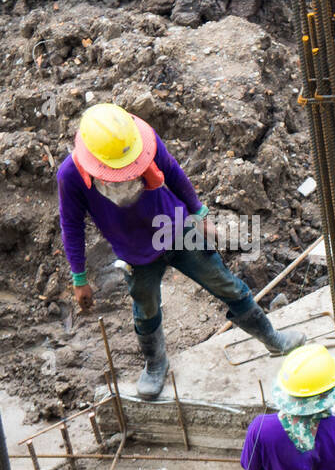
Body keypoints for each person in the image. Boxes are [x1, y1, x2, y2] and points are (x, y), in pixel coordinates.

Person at [57, 103, 304, 400]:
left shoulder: (142, 138)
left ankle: (273, 339)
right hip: (135, 252)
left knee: (224, 282)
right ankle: (155, 363)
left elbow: (172, 172)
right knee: (145, 309)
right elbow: (71, 224)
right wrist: (79, 277)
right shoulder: (70, 175)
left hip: (175, 230)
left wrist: (199, 214)